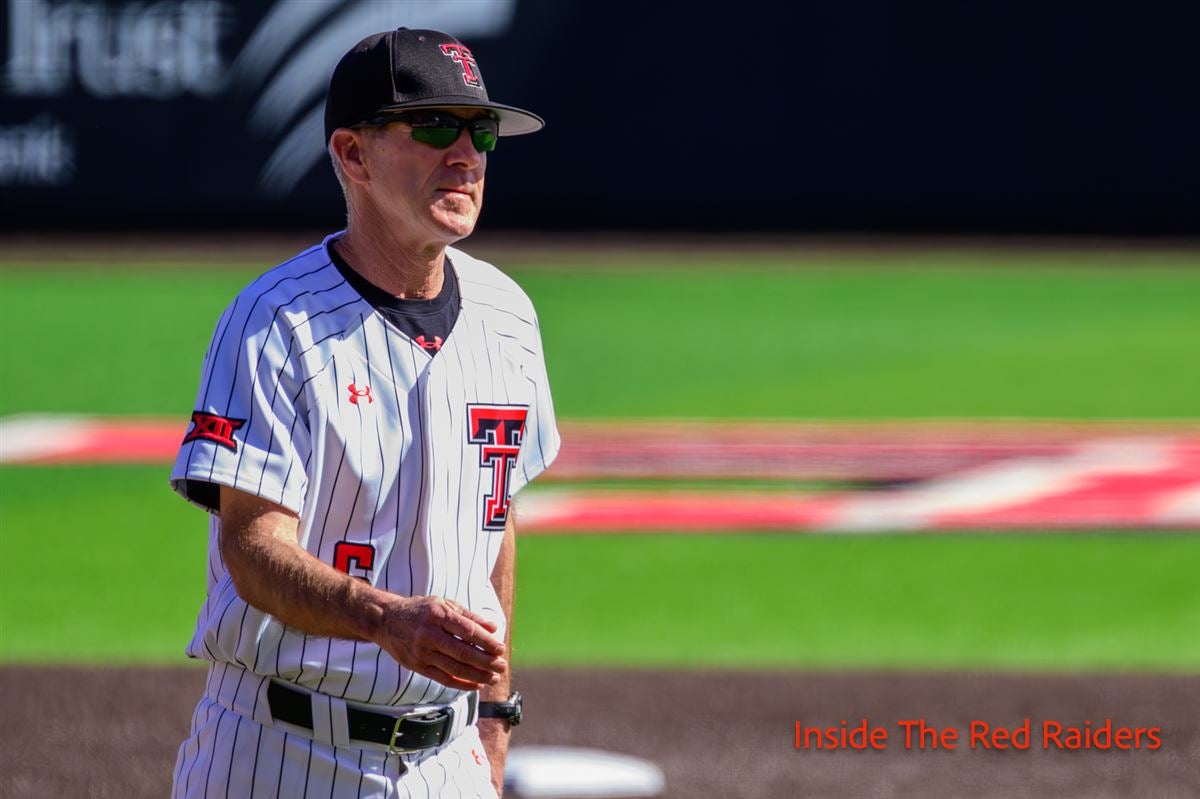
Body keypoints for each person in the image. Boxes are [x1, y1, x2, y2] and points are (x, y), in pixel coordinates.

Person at [168, 28, 558, 798]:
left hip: (449, 761)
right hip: (279, 752)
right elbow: (251, 547)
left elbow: (495, 519)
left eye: (480, 131)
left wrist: (494, 715)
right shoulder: (274, 322)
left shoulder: (508, 316)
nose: (466, 154)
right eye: (436, 126)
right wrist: (384, 618)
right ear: (353, 154)